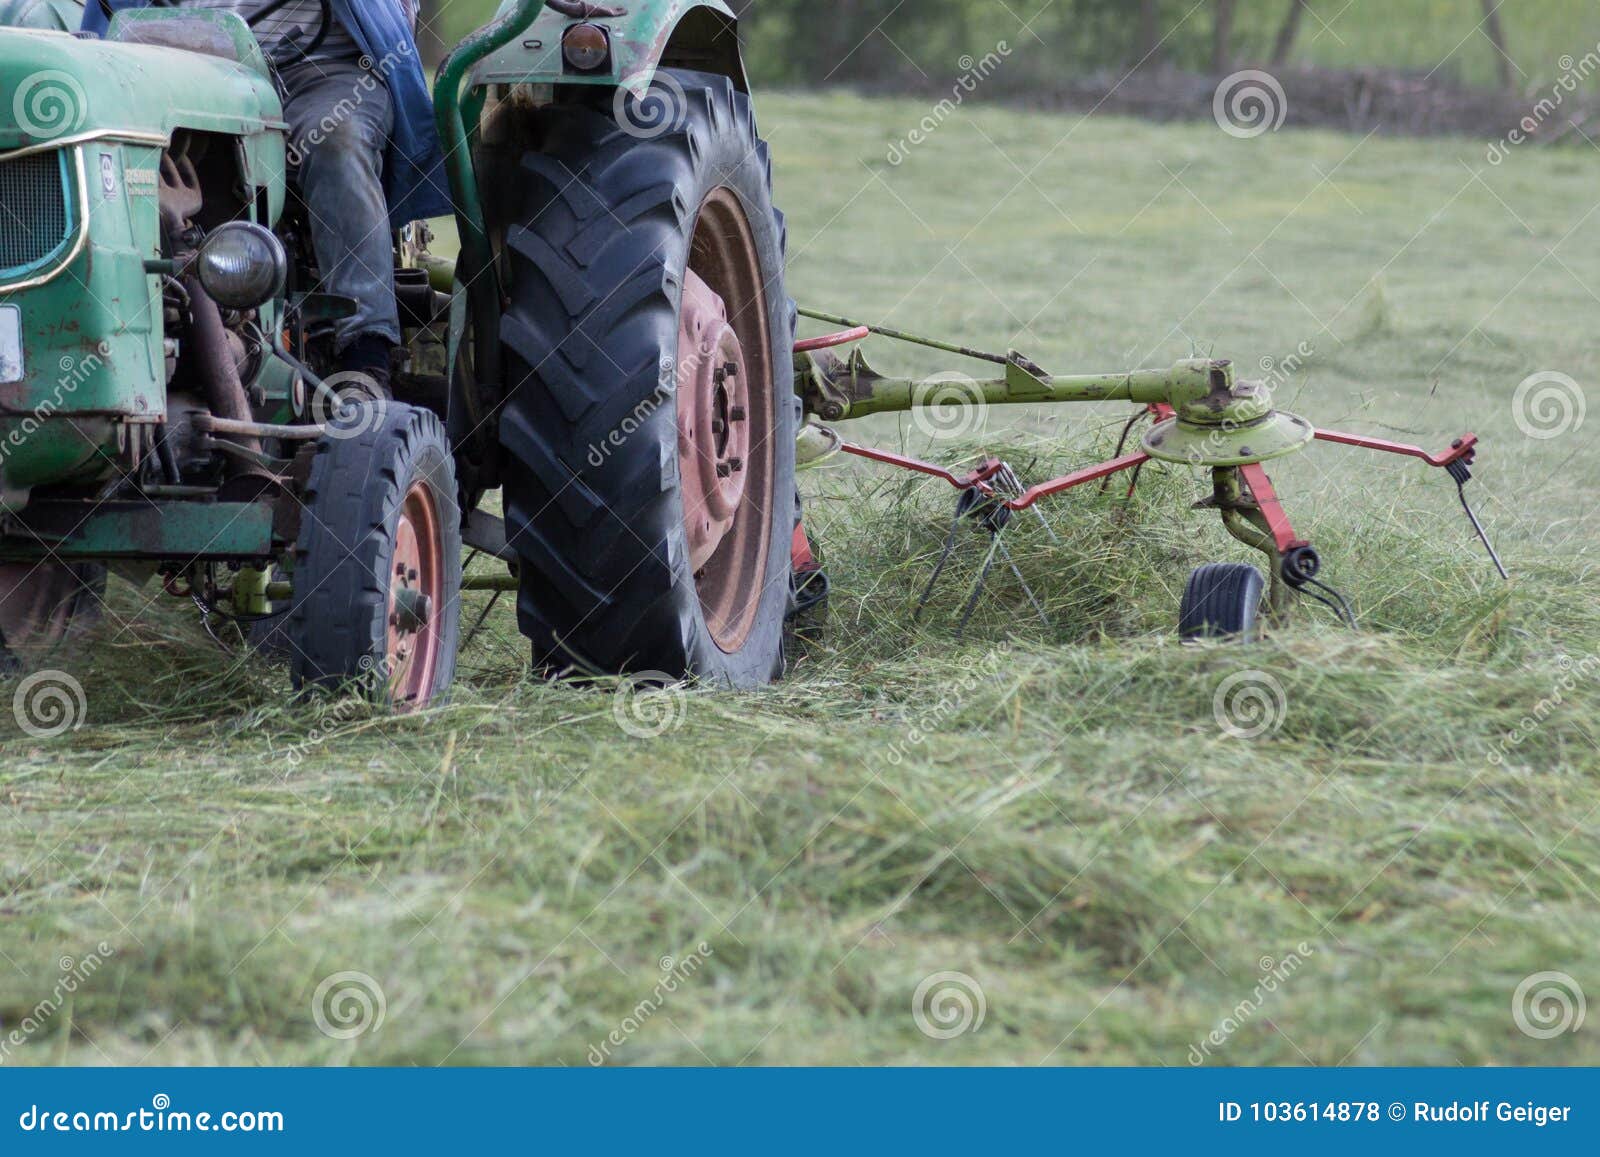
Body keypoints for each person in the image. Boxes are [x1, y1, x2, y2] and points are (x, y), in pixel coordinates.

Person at [82, 0, 452, 390]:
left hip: (323, 65)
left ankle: (366, 351)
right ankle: (115, 332)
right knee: (109, 149)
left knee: (337, 143)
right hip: (188, 64)